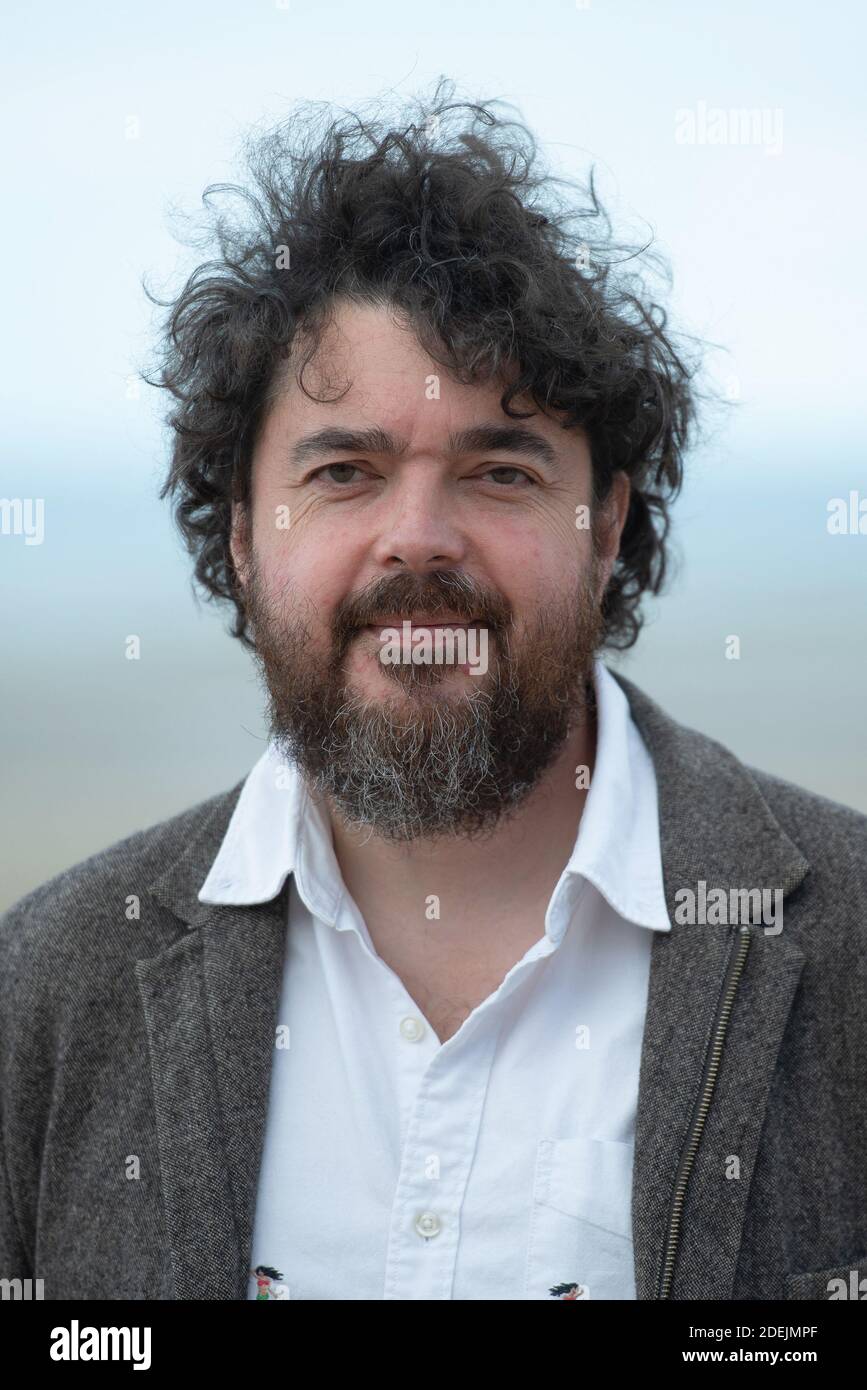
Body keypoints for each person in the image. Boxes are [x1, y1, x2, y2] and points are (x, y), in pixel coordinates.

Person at [1, 80, 865, 1302]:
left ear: (605, 523)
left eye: (500, 471)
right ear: (244, 533)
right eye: (345, 471)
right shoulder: (40, 992)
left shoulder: (852, 948)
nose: (418, 540)